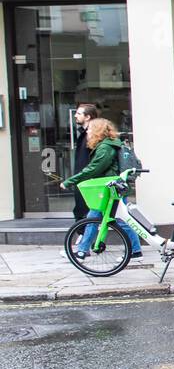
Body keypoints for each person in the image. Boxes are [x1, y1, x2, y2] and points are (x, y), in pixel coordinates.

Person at [60, 118, 142, 259]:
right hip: (112, 188)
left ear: (98, 131)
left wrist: (70, 181)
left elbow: (94, 169)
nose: (88, 132)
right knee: (94, 217)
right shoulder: (109, 144)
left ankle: (135, 251)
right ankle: (83, 250)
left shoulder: (105, 147)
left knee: (118, 219)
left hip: (111, 189)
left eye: (91, 129)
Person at [70, 102, 99, 221]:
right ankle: (85, 238)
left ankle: (84, 237)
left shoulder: (92, 135)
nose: (75, 116)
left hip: (87, 180)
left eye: (78, 113)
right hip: (84, 179)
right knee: (87, 214)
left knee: (86, 213)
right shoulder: (85, 134)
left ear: (88, 117)